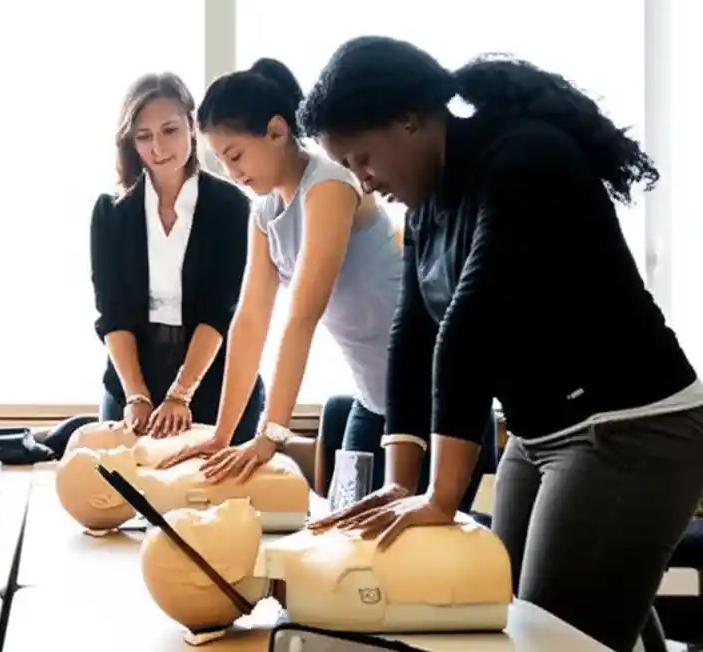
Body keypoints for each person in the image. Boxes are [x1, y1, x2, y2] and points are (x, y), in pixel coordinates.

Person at [300, 35, 703, 652]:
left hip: (628, 428)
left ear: (409, 122)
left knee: (551, 637)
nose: (365, 183)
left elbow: (470, 327)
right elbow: (412, 335)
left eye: (362, 159)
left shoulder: (522, 161)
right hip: (539, 435)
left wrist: (439, 497)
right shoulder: (431, 205)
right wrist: (400, 483)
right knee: (501, 609)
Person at [158, 59, 496, 508]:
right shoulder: (264, 215)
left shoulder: (331, 184)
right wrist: (222, 435)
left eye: (235, 155)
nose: (231, 172)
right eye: (220, 160)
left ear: (276, 131)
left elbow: (302, 316)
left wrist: (270, 435)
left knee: (413, 556)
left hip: (436, 404)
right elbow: (250, 320)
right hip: (376, 401)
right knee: (345, 533)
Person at [90, 72, 264, 442]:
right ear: (130, 141)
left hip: (214, 376)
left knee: (206, 493)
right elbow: (112, 312)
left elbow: (219, 312)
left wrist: (180, 393)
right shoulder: (111, 211)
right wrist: (137, 395)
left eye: (169, 130)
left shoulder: (231, 207)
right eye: (143, 136)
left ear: (191, 124)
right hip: (132, 377)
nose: (158, 147)